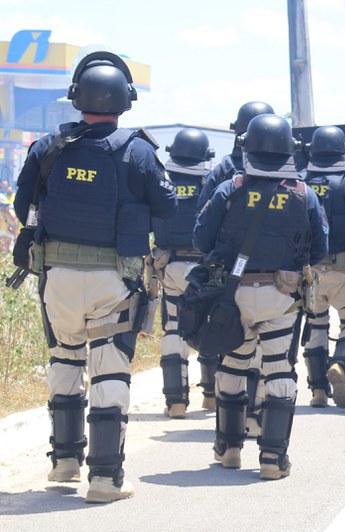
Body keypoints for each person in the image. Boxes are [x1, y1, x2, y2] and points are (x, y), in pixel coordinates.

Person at [13, 51, 177, 502]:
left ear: (76, 97)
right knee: (109, 372)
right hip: (114, 282)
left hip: (57, 279)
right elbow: (167, 208)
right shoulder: (139, 151)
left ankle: (64, 462)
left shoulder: (47, 147)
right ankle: (105, 479)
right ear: (125, 100)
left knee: (65, 361)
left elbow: (22, 207)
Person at [193, 113, 327, 480]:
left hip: (232, 294)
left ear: (246, 146)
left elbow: (200, 239)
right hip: (281, 295)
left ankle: (229, 449)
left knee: (233, 365)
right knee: (279, 368)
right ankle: (272, 457)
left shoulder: (230, 188)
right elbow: (320, 248)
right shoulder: (304, 194)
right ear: (289, 150)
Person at [195, 101, 273, 417]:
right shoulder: (292, 176)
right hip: (275, 275)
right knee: (269, 350)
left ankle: (223, 408)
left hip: (229, 271)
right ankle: (256, 412)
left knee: (228, 339)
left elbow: (202, 222)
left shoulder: (224, 171)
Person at [300, 126, 345, 408]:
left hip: (309, 272)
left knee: (315, 325)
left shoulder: (299, 181)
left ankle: (318, 391)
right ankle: (340, 363)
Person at [151, 128, 215, 418]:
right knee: (210, 325)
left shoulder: (162, 181)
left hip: (171, 265)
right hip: (204, 268)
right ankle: (211, 396)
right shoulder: (211, 182)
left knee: (174, 329)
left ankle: (176, 401)